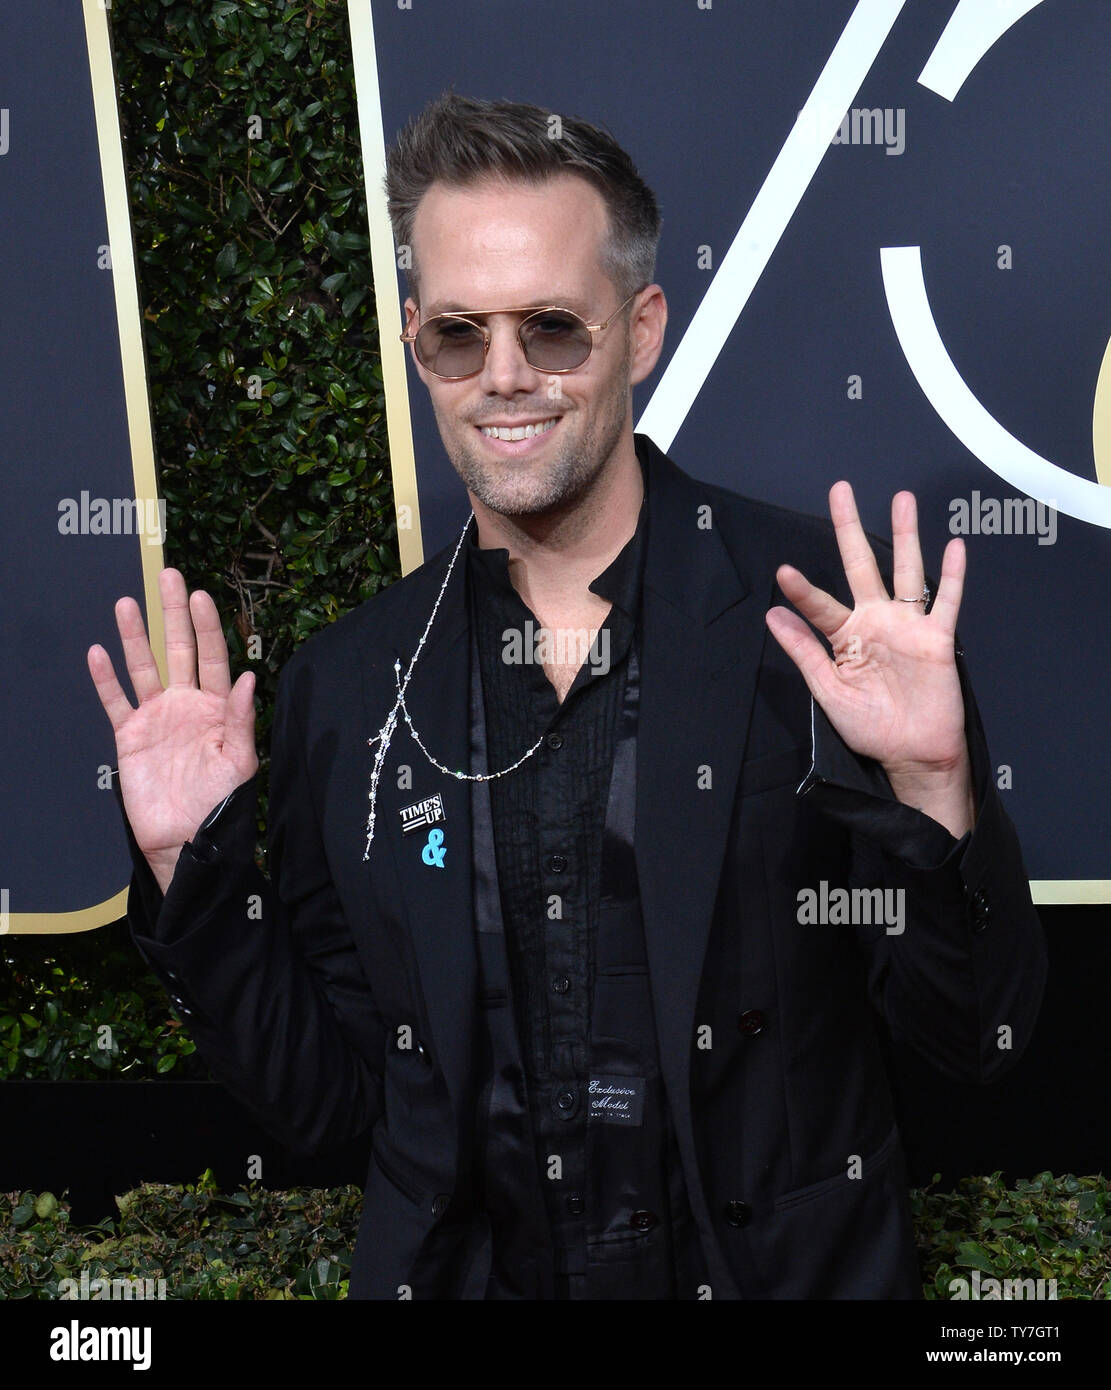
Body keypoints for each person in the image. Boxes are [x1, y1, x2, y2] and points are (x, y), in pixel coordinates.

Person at [88, 92, 1046, 1300]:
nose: (503, 377)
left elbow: (977, 1044)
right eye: (455, 334)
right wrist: (193, 874)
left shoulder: (825, 630)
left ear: (641, 330)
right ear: (416, 346)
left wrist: (931, 789)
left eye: (551, 328)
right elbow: (333, 1109)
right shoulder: (349, 681)